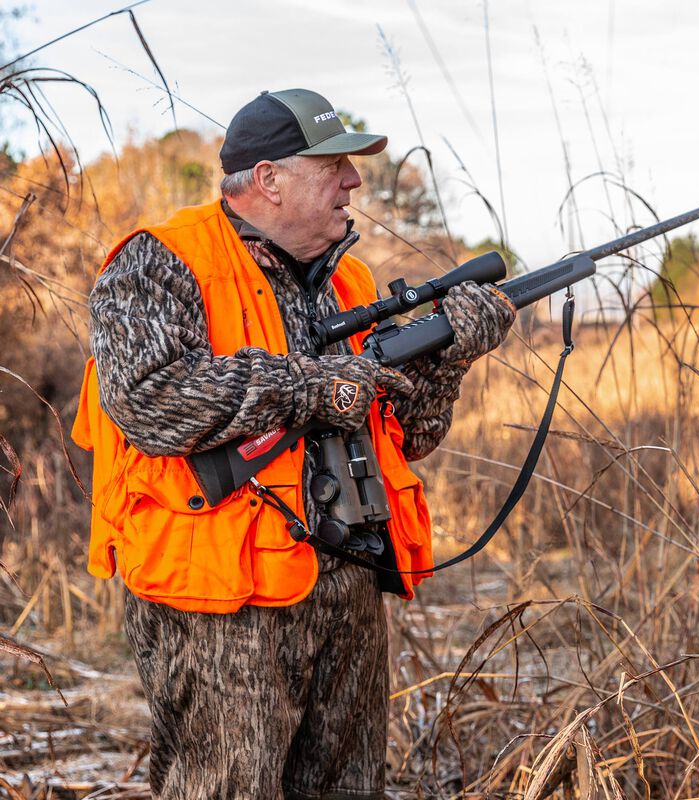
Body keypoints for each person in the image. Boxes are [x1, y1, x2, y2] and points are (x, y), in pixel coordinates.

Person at [72, 89, 516, 799]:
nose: (354, 181)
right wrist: (314, 387)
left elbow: (407, 436)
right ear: (269, 178)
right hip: (222, 603)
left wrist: (449, 358)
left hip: (347, 582)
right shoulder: (159, 262)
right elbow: (148, 400)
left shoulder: (351, 280)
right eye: (334, 166)